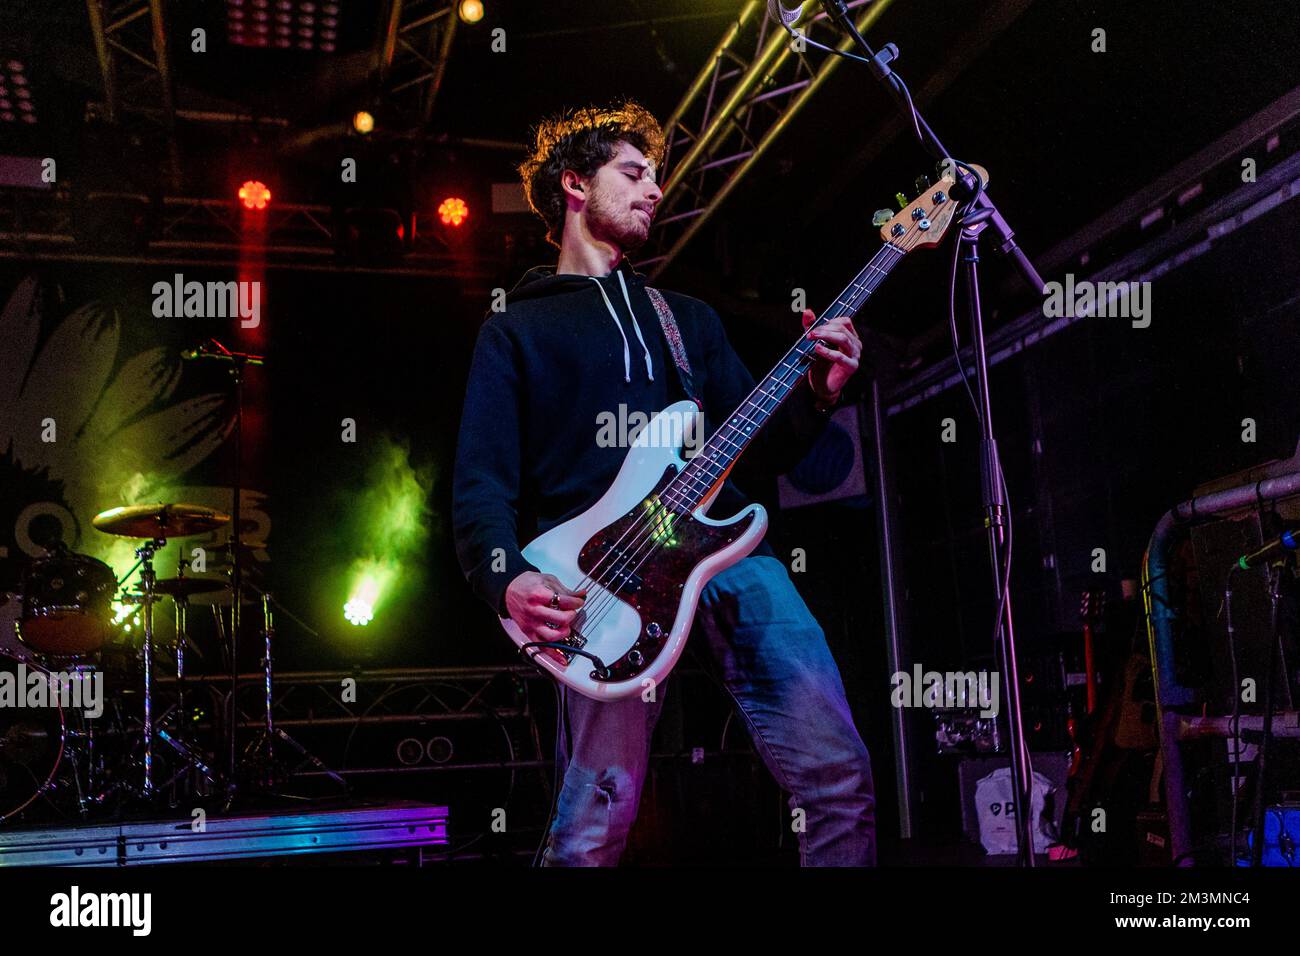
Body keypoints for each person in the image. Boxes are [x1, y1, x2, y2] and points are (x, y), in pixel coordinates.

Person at [452, 100, 875, 865]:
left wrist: (819, 392)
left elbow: (761, 451)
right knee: (594, 826)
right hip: (601, 586)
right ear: (575, 185)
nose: (654, 190)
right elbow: (481, 485)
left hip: (726, 557)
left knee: (839, 779)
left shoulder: (686, 319)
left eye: (657, 178)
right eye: (633, 173)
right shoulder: (514, 329)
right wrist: (505, 580)